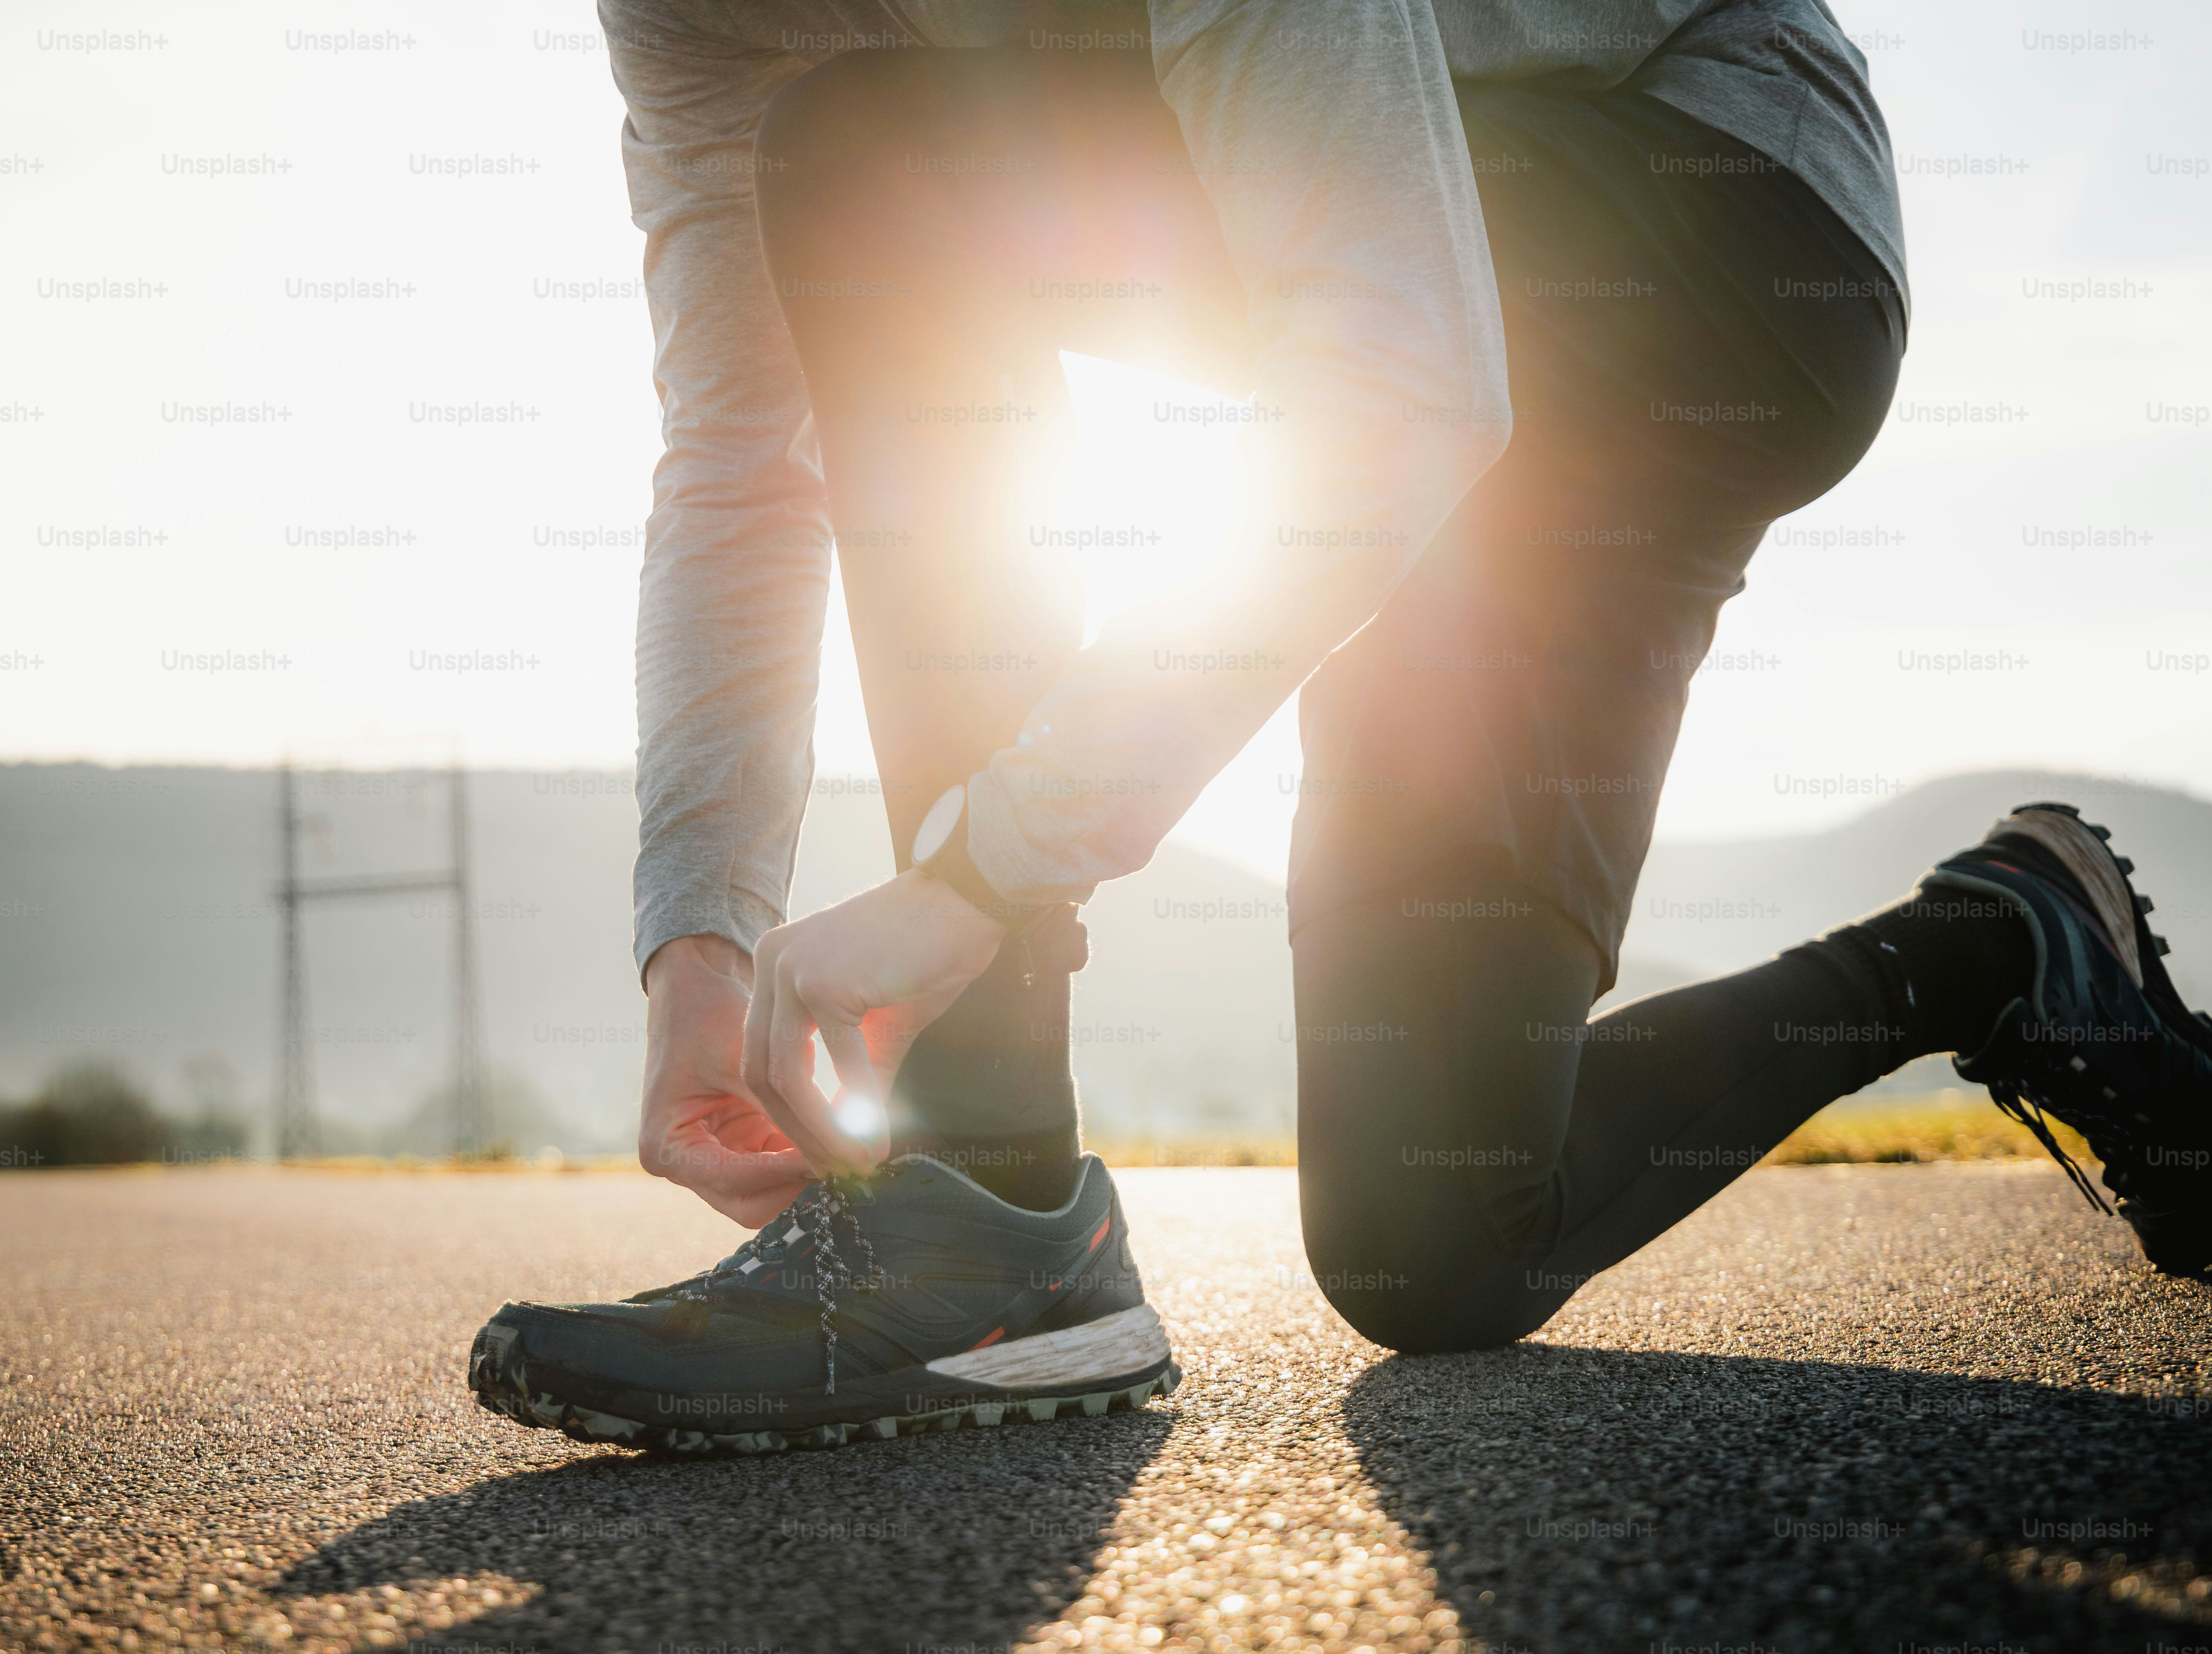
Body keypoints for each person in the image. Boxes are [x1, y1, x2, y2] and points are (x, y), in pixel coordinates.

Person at [467, 0, 2212, 1454]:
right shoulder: (686, 18)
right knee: (1437, 1236)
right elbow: (740, 453)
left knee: (873, 161)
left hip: (1711, 208)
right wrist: (695, 934)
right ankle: (2003, 940)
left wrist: (984, 870)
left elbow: (1400, 362)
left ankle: (986, 1207)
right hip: (1436, 289)